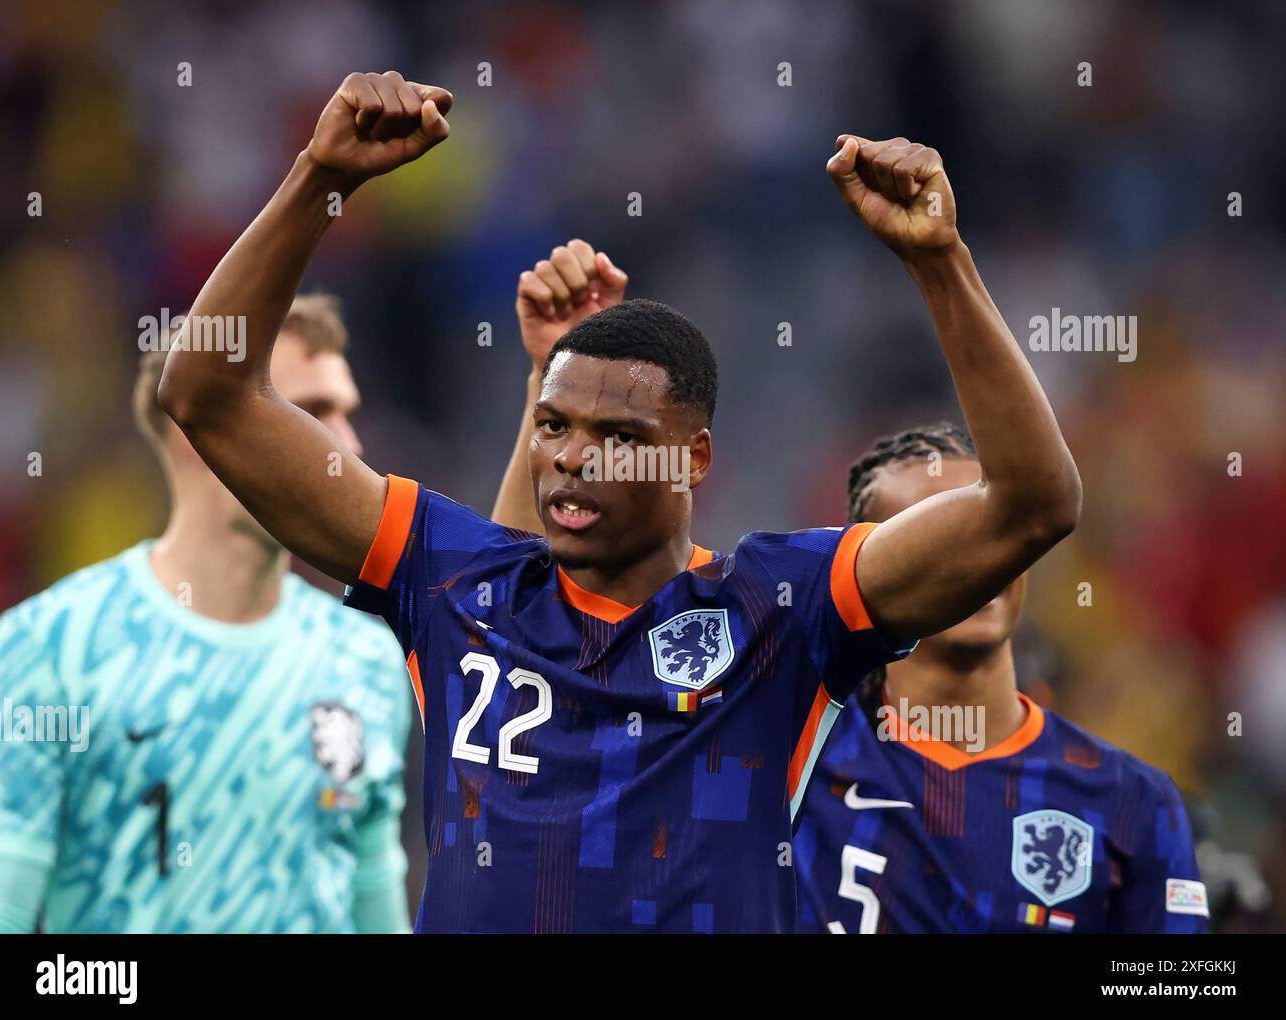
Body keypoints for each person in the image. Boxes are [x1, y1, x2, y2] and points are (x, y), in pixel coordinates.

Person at [158, 71, 1081, 932]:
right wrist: (320, 179)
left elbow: (1033, 504)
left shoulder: (777, 610)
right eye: (554, 427)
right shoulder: (453, 578)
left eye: (621, 440)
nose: (573, 461)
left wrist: (940, 262)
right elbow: (206, 392)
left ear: (695, 460)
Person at [0, 296, 413, 933]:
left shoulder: (367, 659)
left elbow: (379, 920)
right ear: (201, 425)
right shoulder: (55, 645)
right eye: (314, 412)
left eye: (348, 413)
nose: (349, 446)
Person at [791, 424, 1208, 933]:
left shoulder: (1132, 802)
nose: (977, 566)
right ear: (871, 574)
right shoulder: (795, 762)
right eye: (934, 540)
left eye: (996, 535)